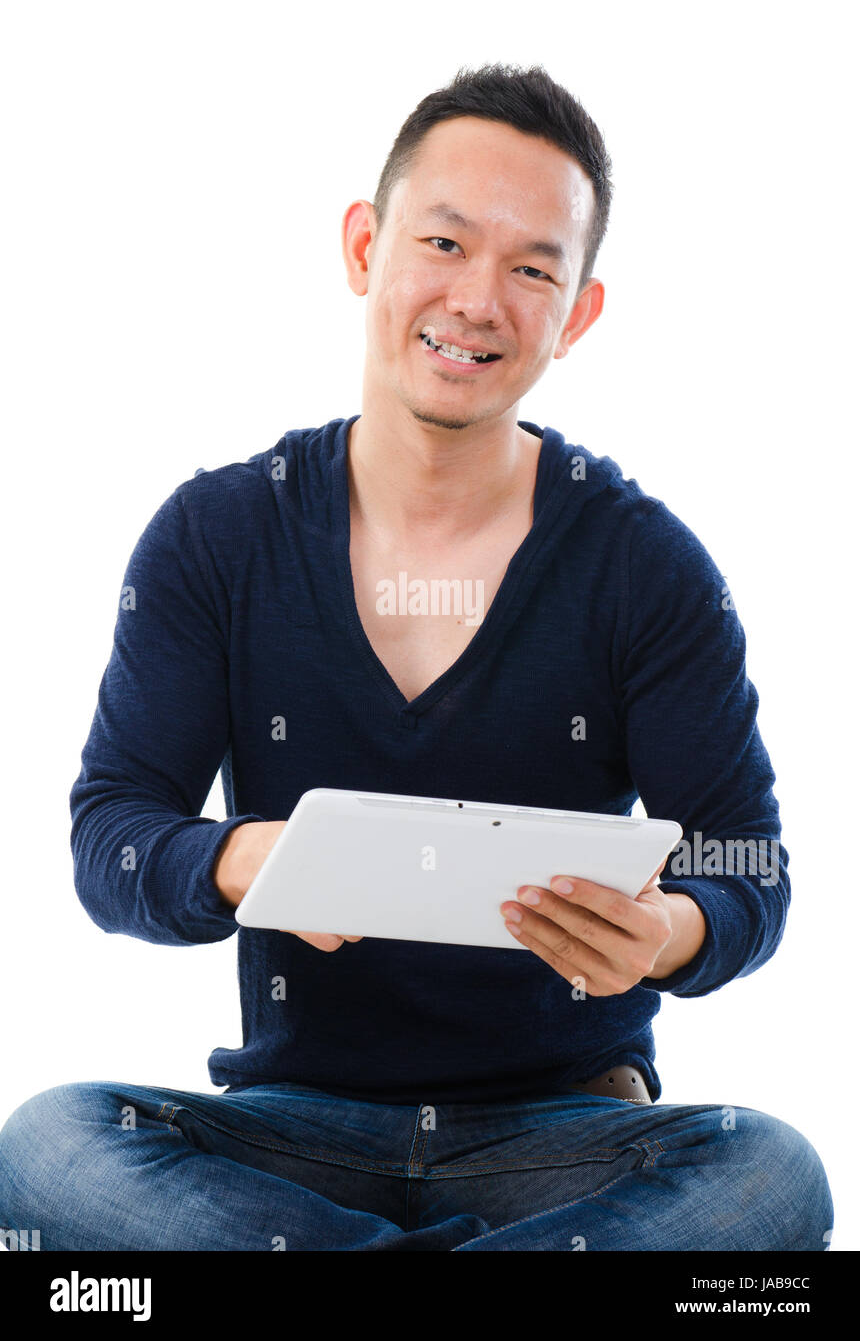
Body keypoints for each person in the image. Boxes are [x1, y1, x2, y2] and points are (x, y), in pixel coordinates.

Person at [0, 63, 833, 1251]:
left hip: (564, 1134)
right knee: (45, 1146)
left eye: (531, 268)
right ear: (363, 247)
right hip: (292, 1133)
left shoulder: (647, 565)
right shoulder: (217, 535)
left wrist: (670, 932)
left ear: (576, 312)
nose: (477, 298)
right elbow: (110, 835)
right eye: (442, 241)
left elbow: (747, 866)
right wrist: (244, 860)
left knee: (769, 1174)